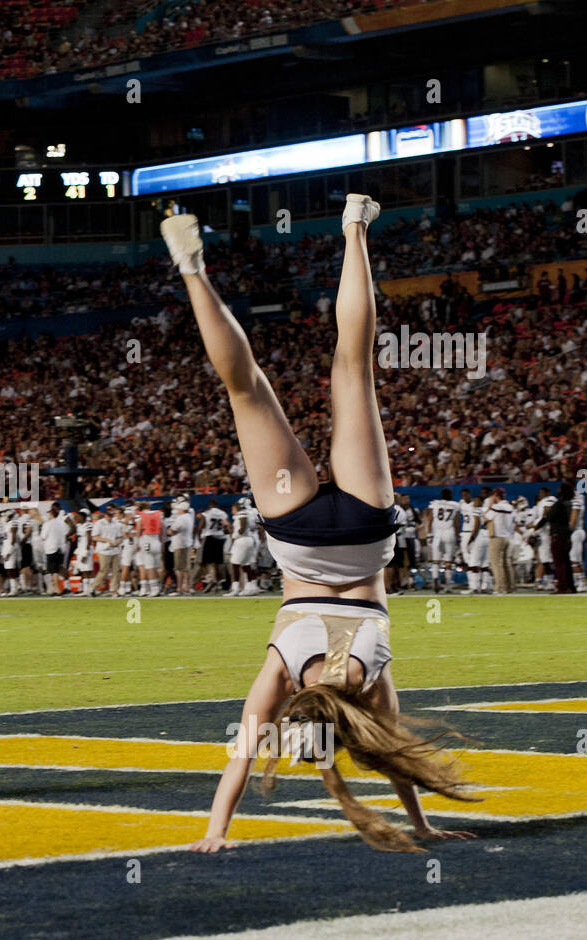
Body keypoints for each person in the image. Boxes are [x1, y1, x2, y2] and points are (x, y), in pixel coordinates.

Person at [161, 198, 476, 853]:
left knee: (351, 366)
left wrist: (417, 822)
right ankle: (192, 269)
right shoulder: (283, 668)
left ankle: (354, 224)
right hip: (297, 532)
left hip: (363, 532)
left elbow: (395, 764)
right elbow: (241, 756)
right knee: (244, 389)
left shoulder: (368, 683)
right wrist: (214, 831)